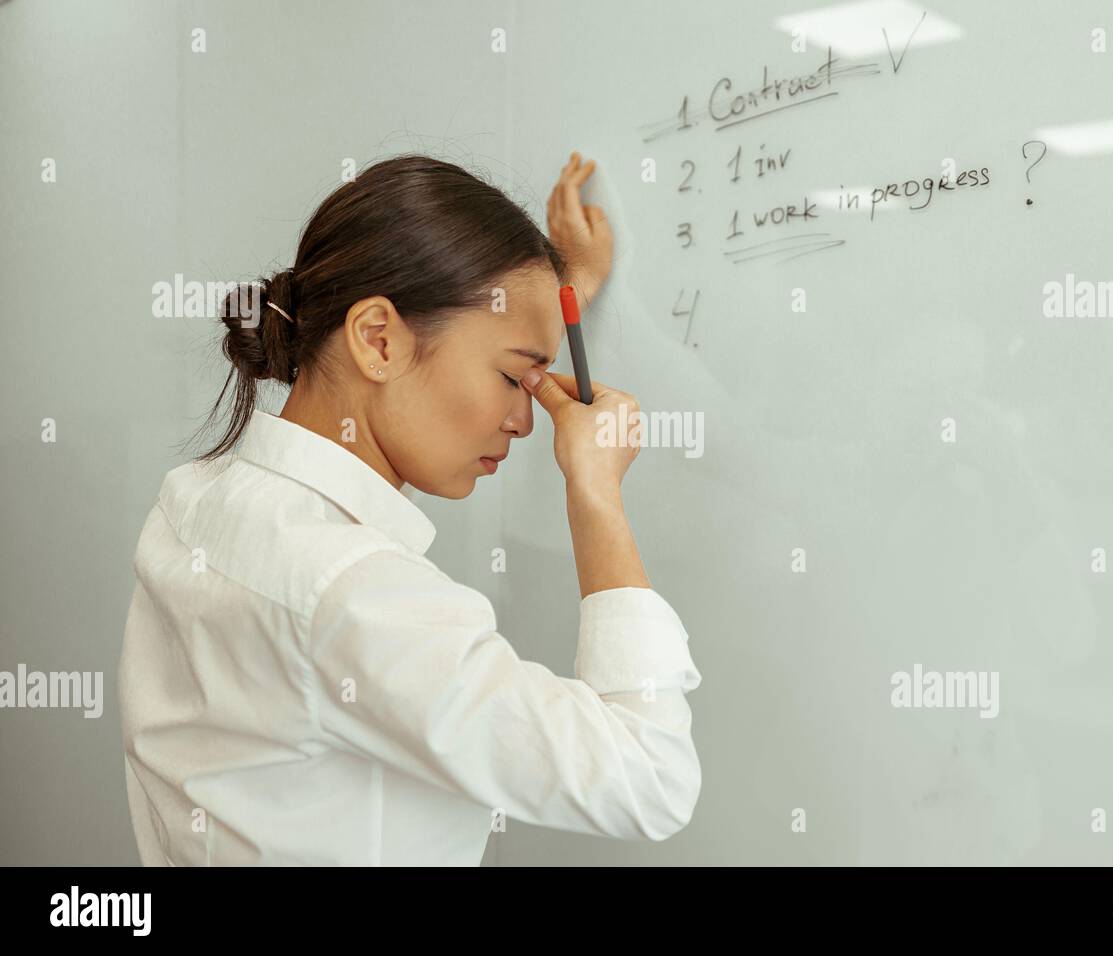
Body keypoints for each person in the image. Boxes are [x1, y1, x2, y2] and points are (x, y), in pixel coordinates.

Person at [117, 152, 703, 865]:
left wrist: (555, 296)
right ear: (377, 339)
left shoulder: (197, 498)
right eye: (516, 378)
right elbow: (650, 779)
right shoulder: (357, 597)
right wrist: (596, 492)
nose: (527, 420)